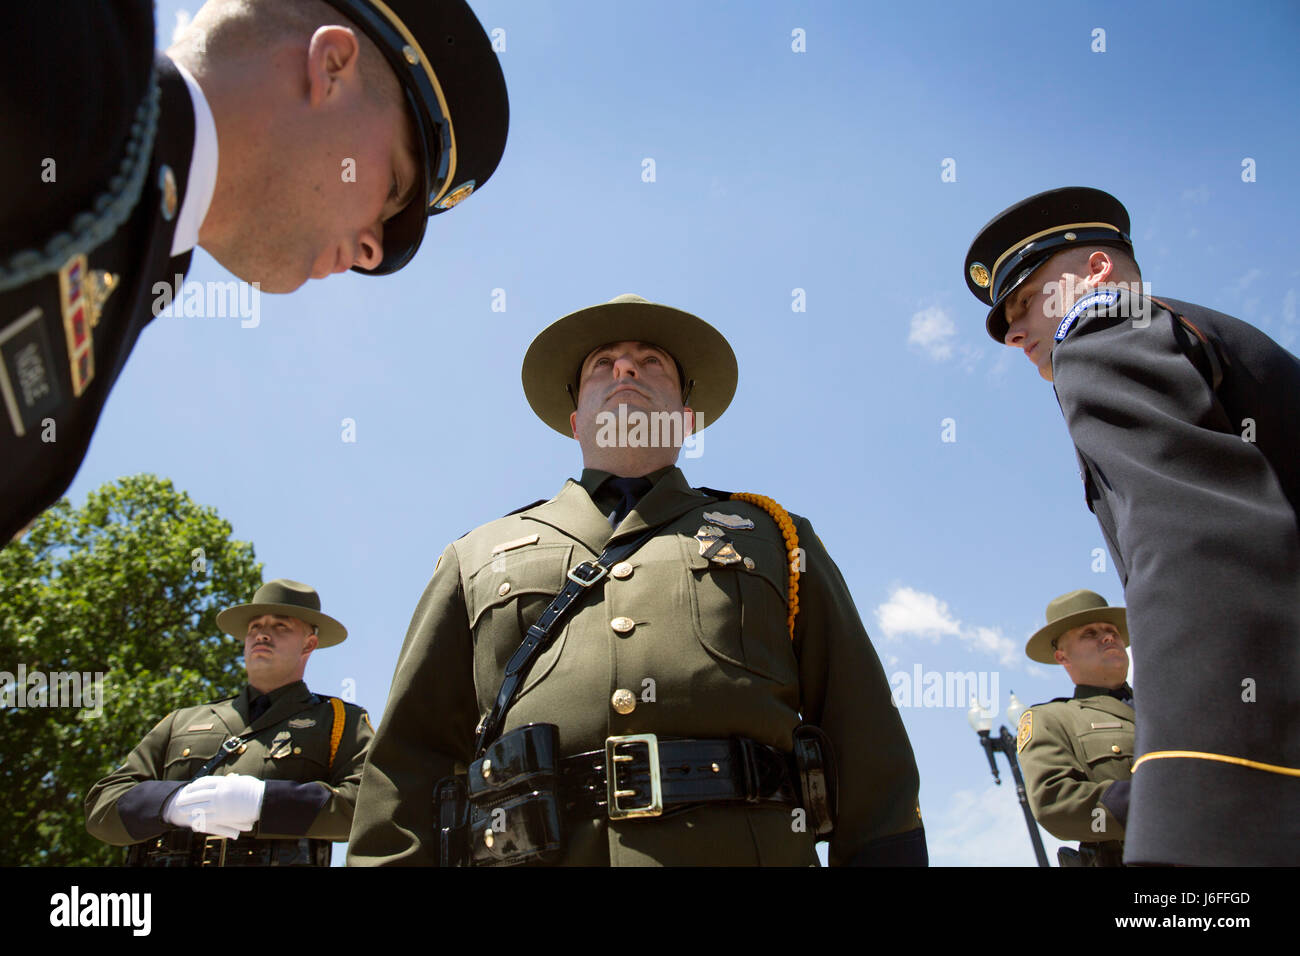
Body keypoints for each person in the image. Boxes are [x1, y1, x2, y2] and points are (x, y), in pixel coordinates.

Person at [348, 293, 927, 866]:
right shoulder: (476, 554)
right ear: (576, 421)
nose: (626, 368)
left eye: (652, 362)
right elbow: (408, 761)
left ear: (686, 417)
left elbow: (864, 733)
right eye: (603, 364)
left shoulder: (777, 537)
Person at [1, 0, 509, 542]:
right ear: (331, 66)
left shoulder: (150, 261)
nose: (371, 252)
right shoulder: (74, 35)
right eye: (392, 187)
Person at [965, 186, 1300, 865]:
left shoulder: (1102, 334)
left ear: (1095, 272)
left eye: (1026, 302)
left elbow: (1202, 552)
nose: (1014, 333)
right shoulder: (1192, 332)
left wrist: (1197, 788)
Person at [84, 579, 373, 866]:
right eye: (255, 627)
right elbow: (102, 806)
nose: (262, 635)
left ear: (309, 644)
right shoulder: (182, 721)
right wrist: (171, 803)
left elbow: (370, 805)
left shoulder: (338, 720)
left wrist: (264, 801)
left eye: (280, 626)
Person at [1015, 590, 1133, 867]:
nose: (1108, 637)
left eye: (1112, 631)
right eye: (1090, 633)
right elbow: (1055, 803)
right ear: (1062, 657)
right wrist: (1158, 804)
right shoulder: (1052, 719)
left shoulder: (1168, 707)